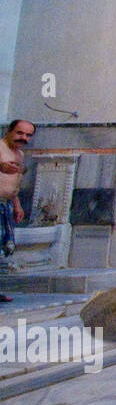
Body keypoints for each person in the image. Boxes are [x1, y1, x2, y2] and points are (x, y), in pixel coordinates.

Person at [0, 119, 35, 301]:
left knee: (3, 247)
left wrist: (16, 205)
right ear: (9, 131)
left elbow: (14, 182)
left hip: (5, 205)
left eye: (28, 135)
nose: (24, 138)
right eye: (20, 133)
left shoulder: (19, 154)